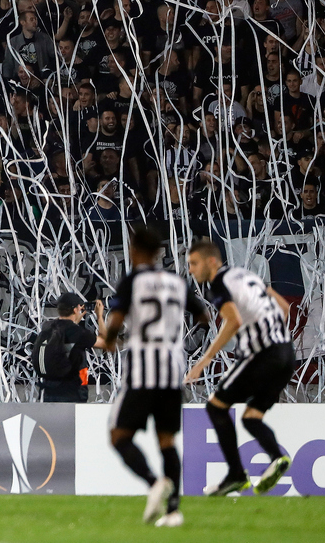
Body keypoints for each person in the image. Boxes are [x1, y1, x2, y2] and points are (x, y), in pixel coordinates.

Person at [101, 226, 206, 527]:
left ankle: (153, 482)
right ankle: (173, 511)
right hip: (172, 371)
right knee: (167, 441)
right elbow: (203, 316)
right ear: (159, 253)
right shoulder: (177, 282)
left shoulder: (132, 281)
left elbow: (116, 320)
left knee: (119, 436)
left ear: (134, 251)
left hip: (142, 371)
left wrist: (111, 340)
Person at [185, 239, 296, 496]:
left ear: (212, 261)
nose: (191, 269)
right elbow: (284, 307)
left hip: (262, 355)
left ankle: (236, 474)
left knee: (215, 407)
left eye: (194, 263)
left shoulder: (219, 282)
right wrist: (273, 335)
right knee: (251, 417)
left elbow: (233, 320)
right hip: (286, 354)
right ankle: (277, 457)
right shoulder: (247, 276)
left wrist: (205, 359)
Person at [33, 292, 106, 402]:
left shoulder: (47, 327)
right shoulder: (78, 333)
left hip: (48, 393)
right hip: (73, 394)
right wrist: (99, 316)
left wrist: (74, 322)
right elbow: (105, 342)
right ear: (76, 309)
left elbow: (65, 329)